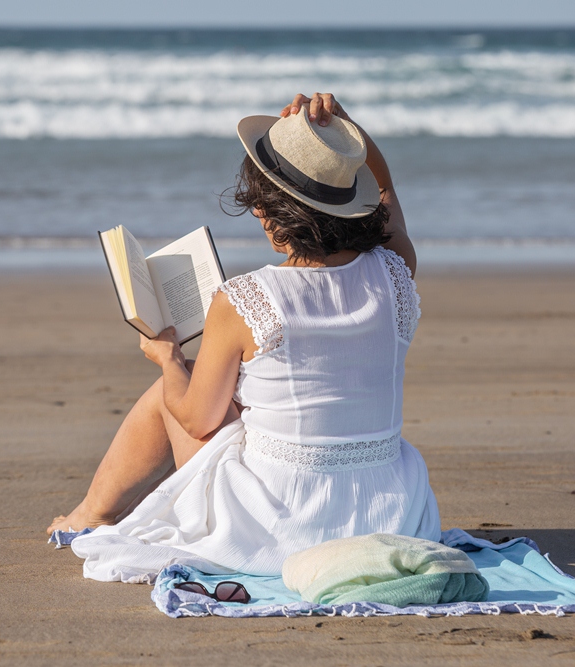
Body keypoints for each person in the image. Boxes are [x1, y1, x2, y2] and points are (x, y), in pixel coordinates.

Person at [47, 93, 441, 583]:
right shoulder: (394, 272)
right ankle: (92, 511)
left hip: (280, 523)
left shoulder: (247, 297)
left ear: (270, 216)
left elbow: (195, 419)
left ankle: (93, 514)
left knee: (178, 390)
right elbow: (388, 193)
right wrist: (342, 132)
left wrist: (167, 358)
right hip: (387, 511)